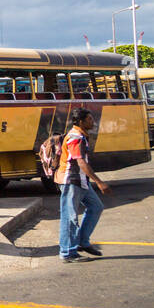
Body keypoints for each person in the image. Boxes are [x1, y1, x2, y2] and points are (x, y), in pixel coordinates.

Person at [56, 107, 109, 263]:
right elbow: (81, 162)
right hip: (71, 181)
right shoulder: (76, 138)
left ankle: (82, 241)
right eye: (89, 119)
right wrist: (99, 182)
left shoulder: (80, 135)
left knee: (96, 207)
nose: (93, 122)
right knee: (69, 217)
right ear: (81, 122)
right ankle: (67, 252)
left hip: (81, 181)